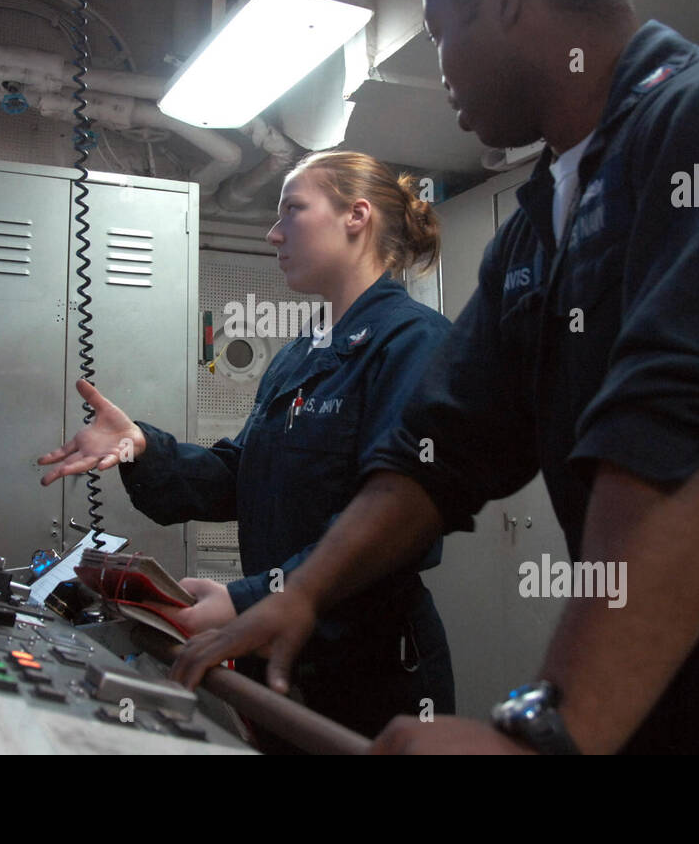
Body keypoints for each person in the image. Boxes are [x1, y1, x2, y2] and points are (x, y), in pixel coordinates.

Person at [169, 0, 699, 754]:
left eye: (443, 29)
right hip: (653, 697)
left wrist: (554, 731)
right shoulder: (538, 228)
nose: (441, 65)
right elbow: (441, 450)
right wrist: (300, 591)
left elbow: (696, 425)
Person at [38, 151, 456, 742]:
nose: (274, 231)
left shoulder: (415, 342)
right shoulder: (299, 354)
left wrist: (249, 598)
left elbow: (397, 522)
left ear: (355, 216)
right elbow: (240, 474)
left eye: (293, 210)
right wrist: (141, 446)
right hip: (279, 657)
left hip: (370, 673)